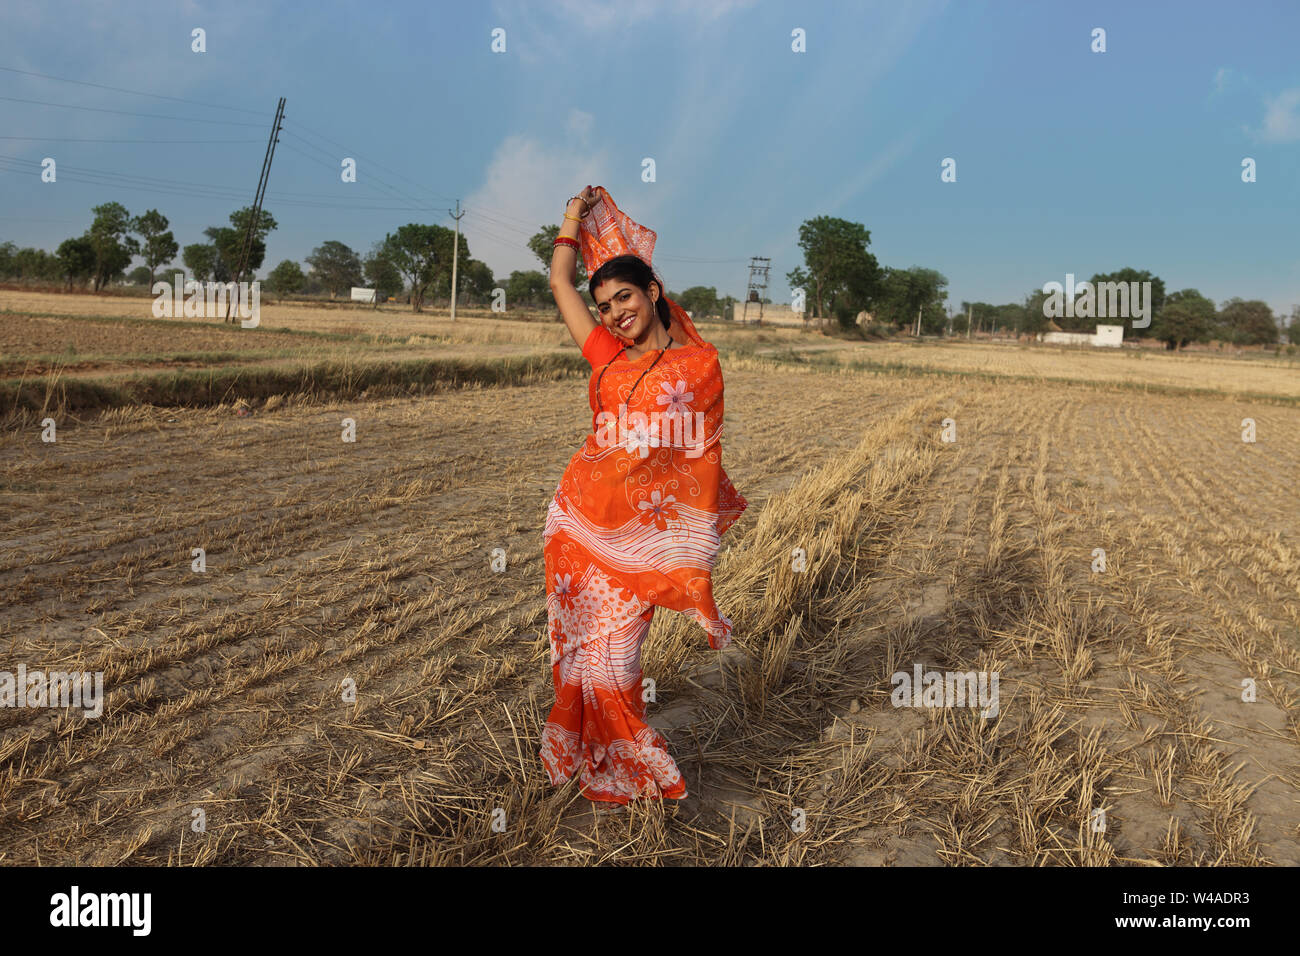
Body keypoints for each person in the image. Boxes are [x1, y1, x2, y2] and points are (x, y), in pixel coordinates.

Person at [541, 185, 747, 805]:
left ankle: (626, 763)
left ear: (653, 293)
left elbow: (696, 454)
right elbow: (559, 284)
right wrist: (573, 220)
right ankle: (595, 762)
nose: (612, 314)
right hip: (576, 527)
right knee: (581, 658)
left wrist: (690, 542)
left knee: (617, 662)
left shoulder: (699, 365)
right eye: (603, 305)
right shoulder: (607, 355)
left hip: (641, 540)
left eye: (624, 297)